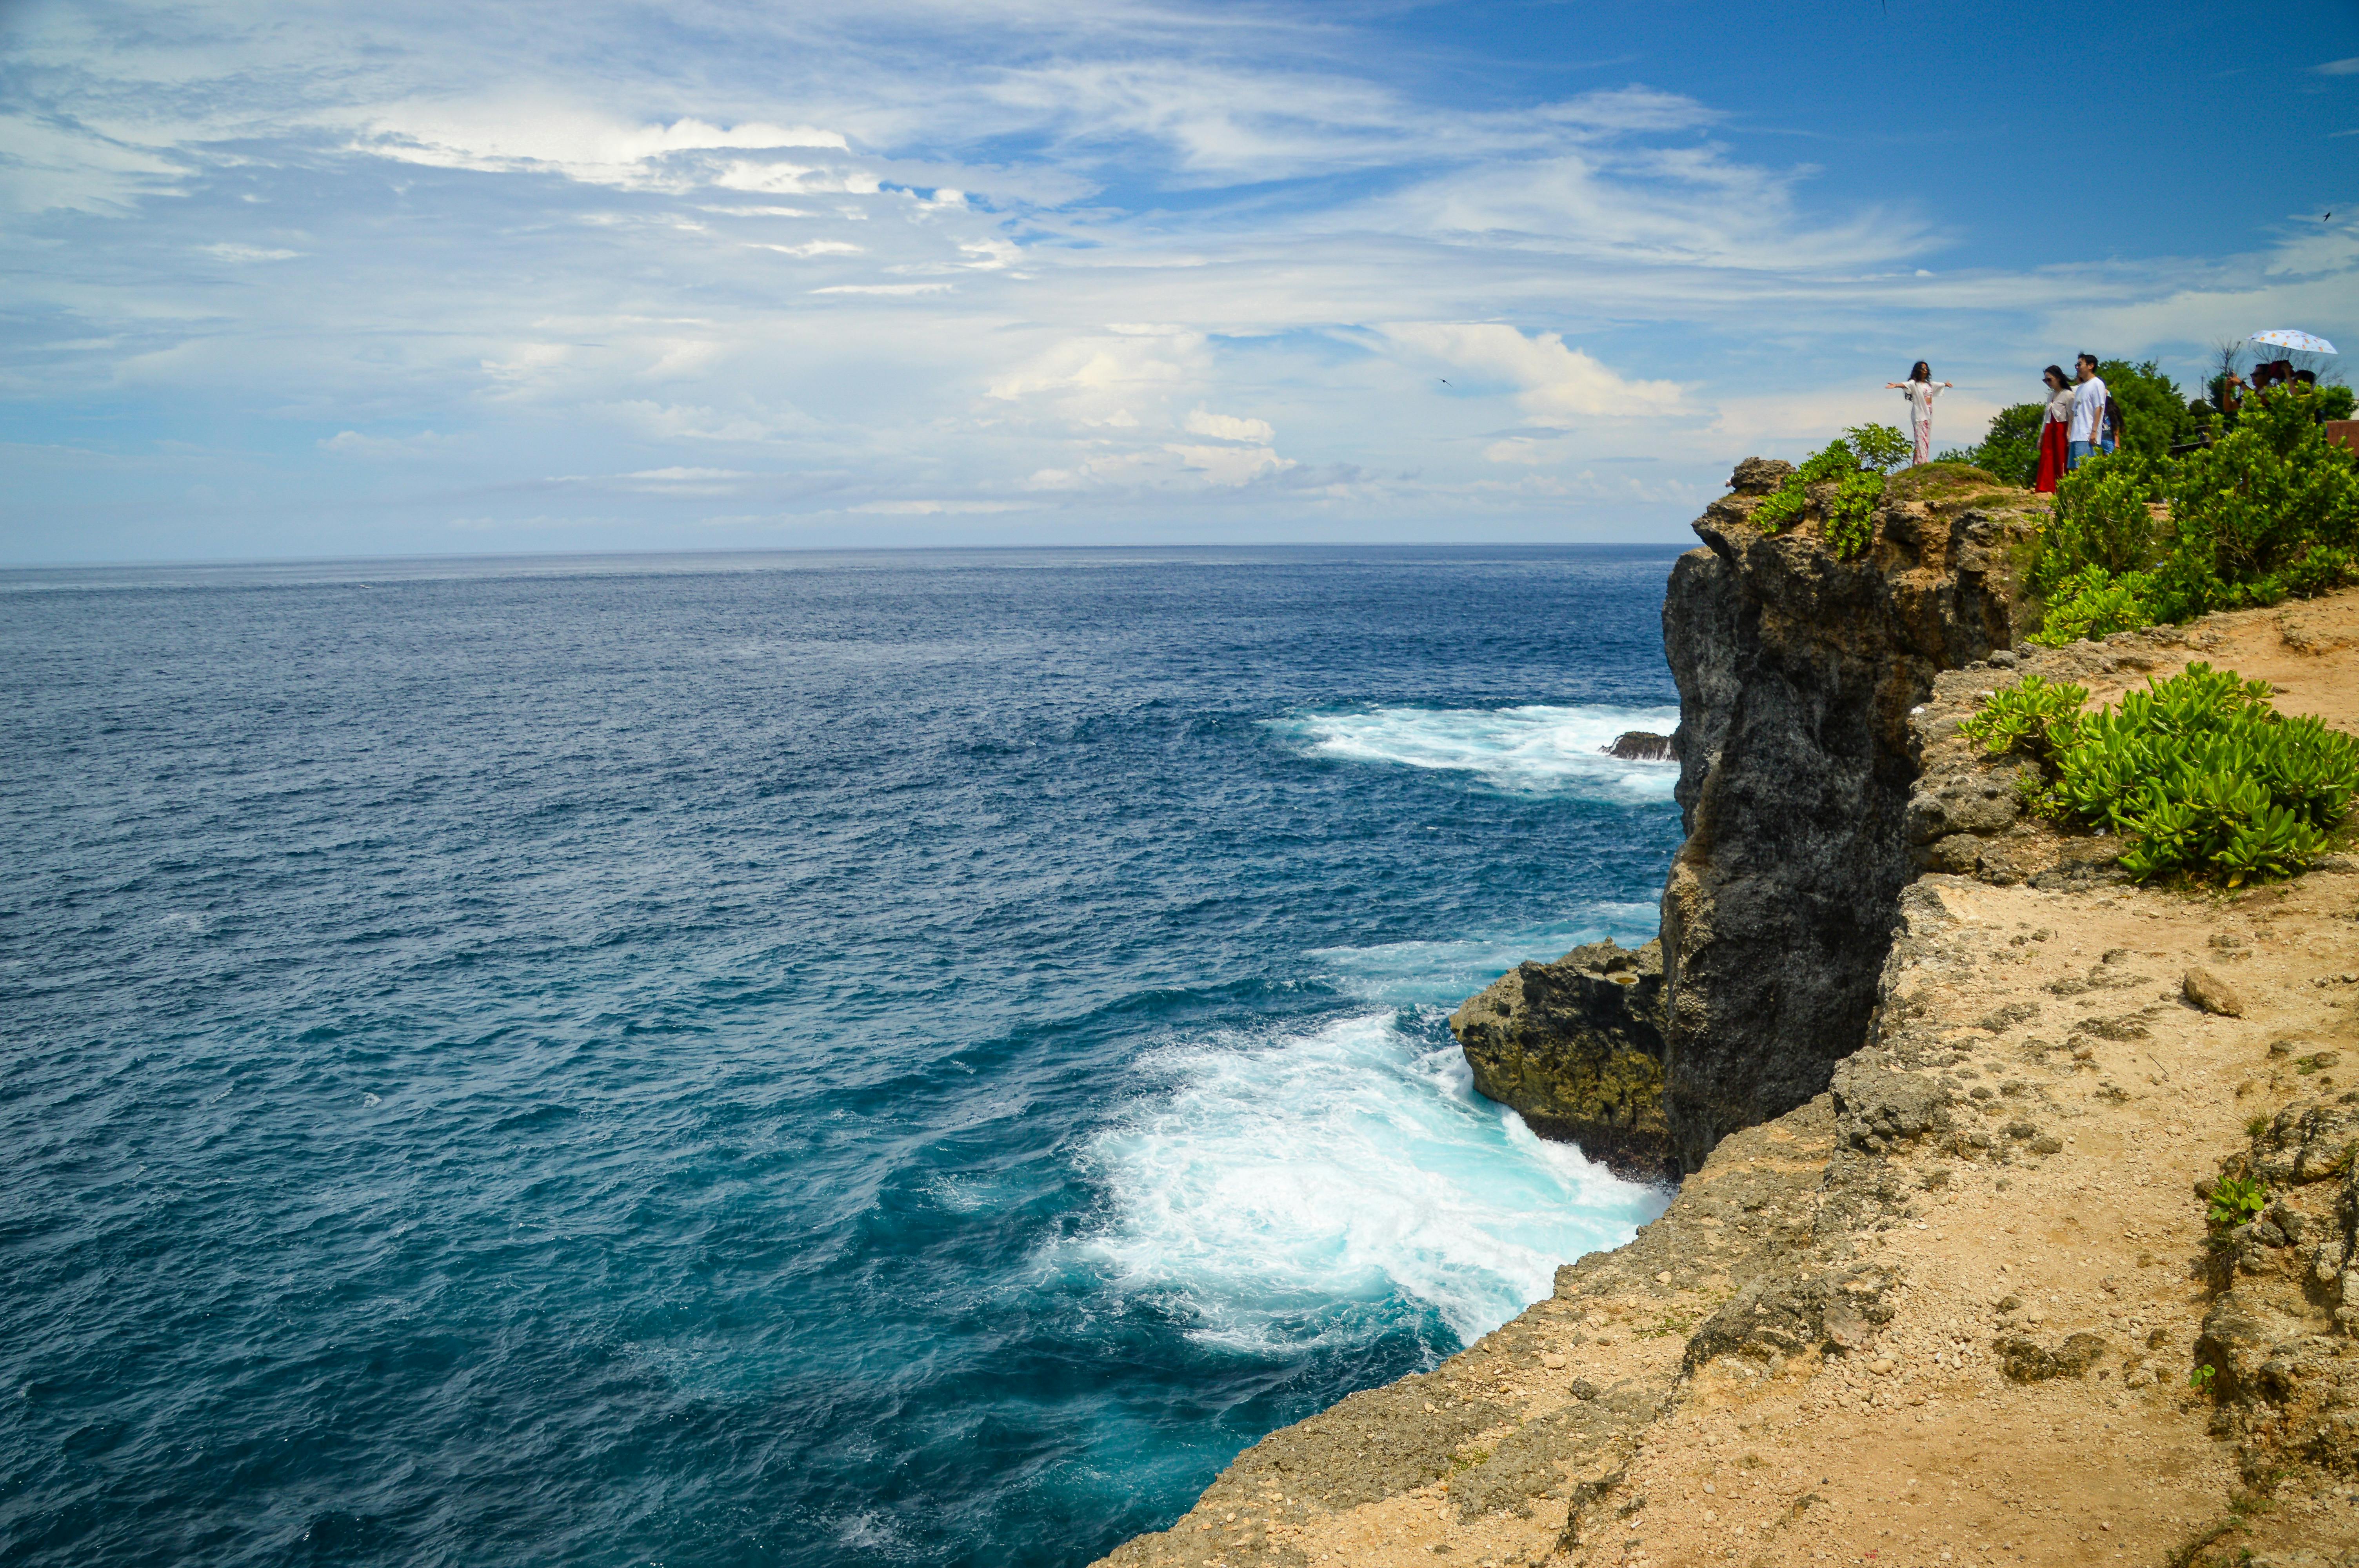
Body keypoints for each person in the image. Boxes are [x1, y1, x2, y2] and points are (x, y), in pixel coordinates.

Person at [1886, 360, 1952, 465]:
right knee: (1921, 437)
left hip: (1929, 412)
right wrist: (1896, 385)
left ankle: (1918, 462)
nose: (1925, 371)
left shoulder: (1929, 384)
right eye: (1923, 369)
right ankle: (1922, 462)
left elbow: (1939, 385)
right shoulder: (1914, 384)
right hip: (1920, 413)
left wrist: (1946, 384)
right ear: (1918, 370)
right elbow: (1906, 385)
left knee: (1926, 437)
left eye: (1926, 369)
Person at [2034, 365, 2074, 492]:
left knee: (2061, 457)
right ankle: (2045, 486)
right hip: (2050, 430)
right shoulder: (2050, 396)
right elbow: (2046, 418)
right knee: (2047, 457)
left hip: (2061, 430)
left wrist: (2069, 433)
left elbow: (2072, 416)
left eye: (2049, 380)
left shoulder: (2068, 395)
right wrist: (2041, 436)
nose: (2047, 383)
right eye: (2045, 380)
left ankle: (2061, 486)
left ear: (2058, 378)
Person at [2067, 352, 2108, 471]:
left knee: (2084, 469)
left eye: (2080, 364)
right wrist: (2070, 433)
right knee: (2074, 469)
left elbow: (2099, 408)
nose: (2077, 367)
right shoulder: (2080, 387)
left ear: (2091, 366)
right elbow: (2074, 411)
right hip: (2076, 435)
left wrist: (2094, 432)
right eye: (2077, 365)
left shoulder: (2097, 384)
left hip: (2087, 435)